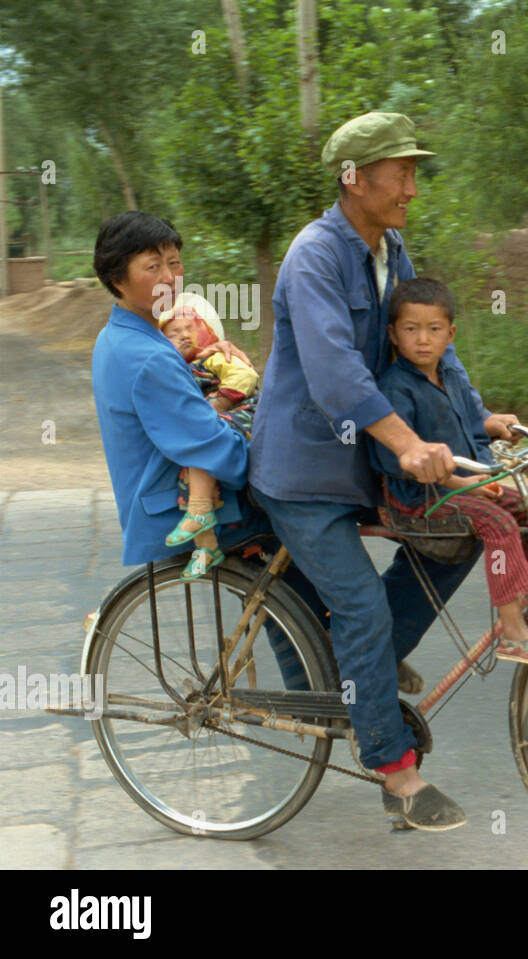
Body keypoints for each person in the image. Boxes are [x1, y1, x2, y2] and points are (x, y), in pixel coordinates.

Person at [248, 112, 520, 832]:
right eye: (399, 172)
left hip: (361, 460)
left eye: (412, 171)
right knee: (363, 607)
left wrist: (478, 417)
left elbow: (431, 347)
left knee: (458, 535)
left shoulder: (390, 247)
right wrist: (406, 443)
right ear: (354, 178)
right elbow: (335, 372)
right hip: (304, 468)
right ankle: (396, 772)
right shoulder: (314, 255)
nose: (411, 186)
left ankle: (362, 676)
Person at [90, 212, 324, 686]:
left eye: (174, 264)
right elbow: (211, 445)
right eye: (151, 267)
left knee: (297, 540)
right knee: (324, 511)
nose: (169, 278)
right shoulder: (148, 355)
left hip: (163, 493)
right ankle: (348, 657)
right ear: (117, 278)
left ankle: (317, 668)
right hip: (175, 509)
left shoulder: (123, 337)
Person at [371, 277, 528, 666]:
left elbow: (468, 417)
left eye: (434, 330)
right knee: (499, 524)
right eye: (411, 330)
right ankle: (511, 630)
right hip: (421, 498)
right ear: (393, 335)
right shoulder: (396, 389)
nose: (423, 340)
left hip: (466, 486)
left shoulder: (451, 375)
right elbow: (399, 458)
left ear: (451, 334)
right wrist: (464, 485)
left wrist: (492, 422)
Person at [157, 304, 262, 579]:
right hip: (218, 420)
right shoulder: (180, 367)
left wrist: (218, 404)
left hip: (243, 413)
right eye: (173, 333)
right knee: (189, 476)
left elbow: (246, 376)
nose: (183, 336)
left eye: (189, 329)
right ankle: (207, 547)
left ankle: (201, 514)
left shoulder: (212, 357)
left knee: (201, 443)